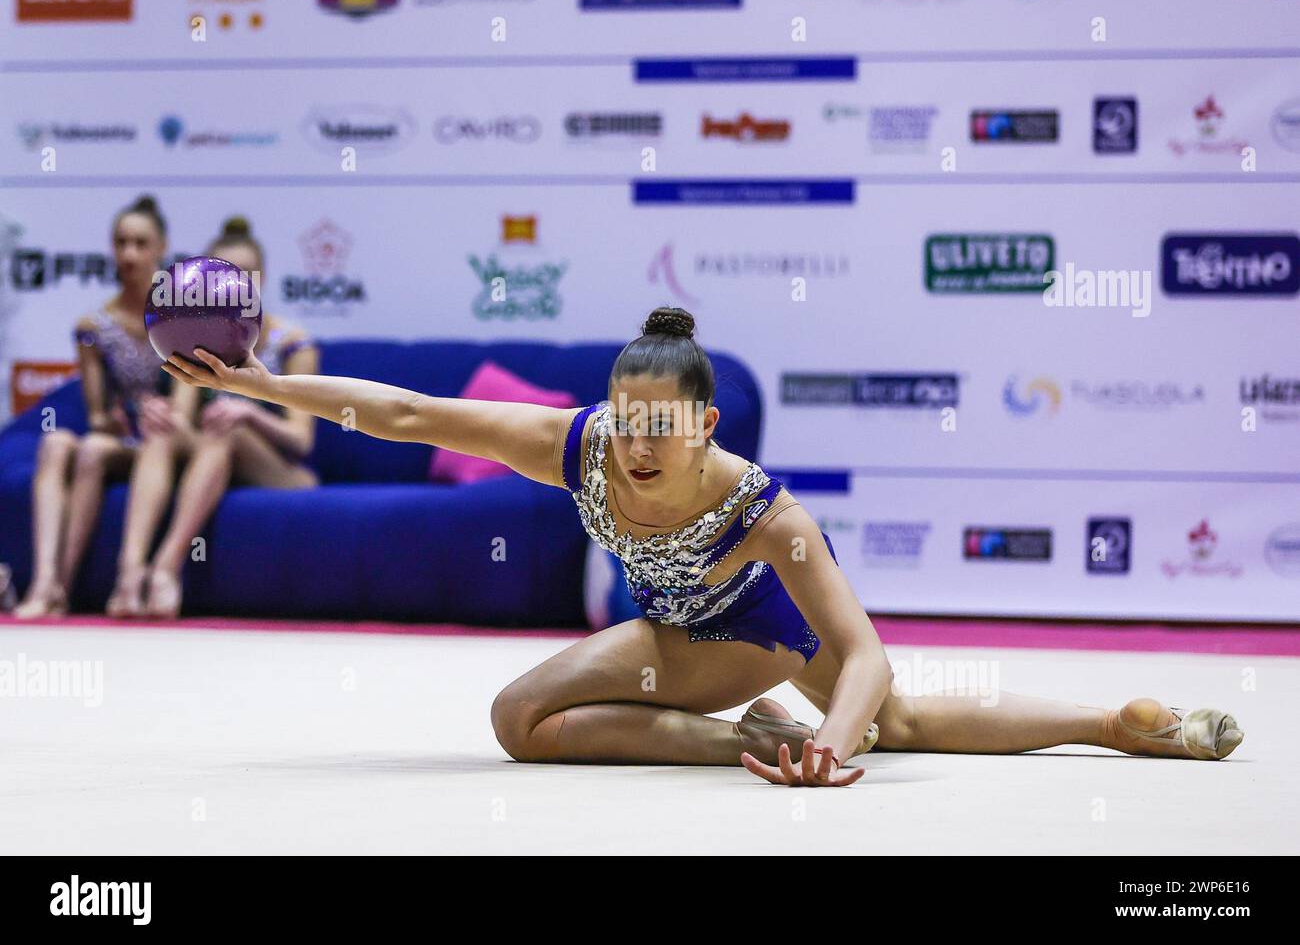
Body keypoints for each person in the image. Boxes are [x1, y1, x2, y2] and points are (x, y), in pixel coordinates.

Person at [160, 305, 1245, 786]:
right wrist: (259, 381)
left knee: (884, 714)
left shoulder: (767, 513)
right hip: (673, 631)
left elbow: (862, 655)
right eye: (623, 419)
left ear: (705, 428)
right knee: (523, 721)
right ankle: (1113, 722)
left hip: (754, 636)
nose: (635, 443)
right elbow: (402, 411)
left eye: (660, 427)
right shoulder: (572, 444)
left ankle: (768, 738)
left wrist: (839, 742)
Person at [113, 216, 318, 618]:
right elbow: (182, 424)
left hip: (282, 470)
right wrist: (158, 412)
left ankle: (168, 567)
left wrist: (249, 411)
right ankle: (130, 573)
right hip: (211, 458)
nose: (228, 286)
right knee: (161, 433)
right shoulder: (194, 343)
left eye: (241, 275)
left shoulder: (292, 342)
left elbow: (301, 440)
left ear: (259, 280)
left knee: (229, 428)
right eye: (219, 276)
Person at [15, 195, 200, 619]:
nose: (129, 253)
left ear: (161, 247)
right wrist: (115, 418)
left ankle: (95, 580)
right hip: (128, 438)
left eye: (140, 242)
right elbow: (97, 413)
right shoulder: (93, 326)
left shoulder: (184, 318)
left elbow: (185, 409)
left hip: (174, 439)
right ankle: (47, 583)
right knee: (58, 443)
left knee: (118, 444)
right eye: (121, 242)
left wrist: (159, 412)